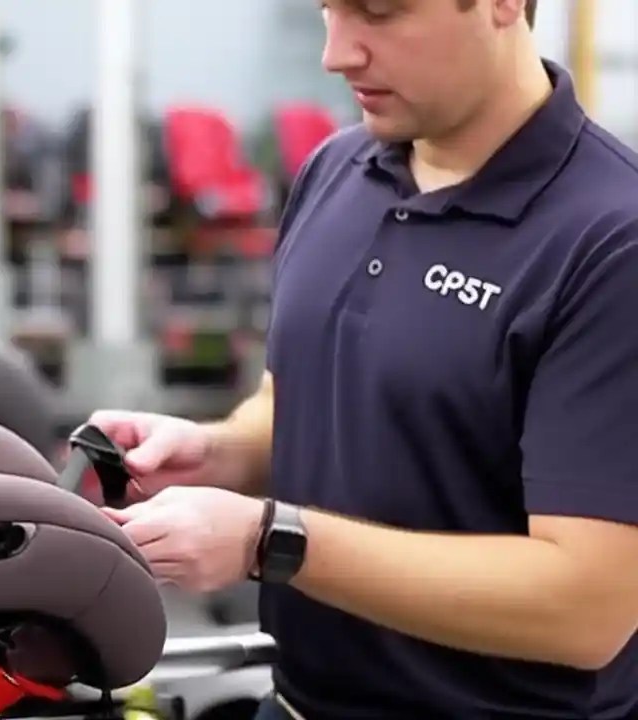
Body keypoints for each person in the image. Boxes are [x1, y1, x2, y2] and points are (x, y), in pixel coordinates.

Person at [89, 1, 638, 718]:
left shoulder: (611, 242)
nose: (337, 54)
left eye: (377, 13)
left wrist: (269, 541)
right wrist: (215, 453)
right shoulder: (336, 172)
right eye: (329, 10)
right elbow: (295, 399)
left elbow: (585, 610)